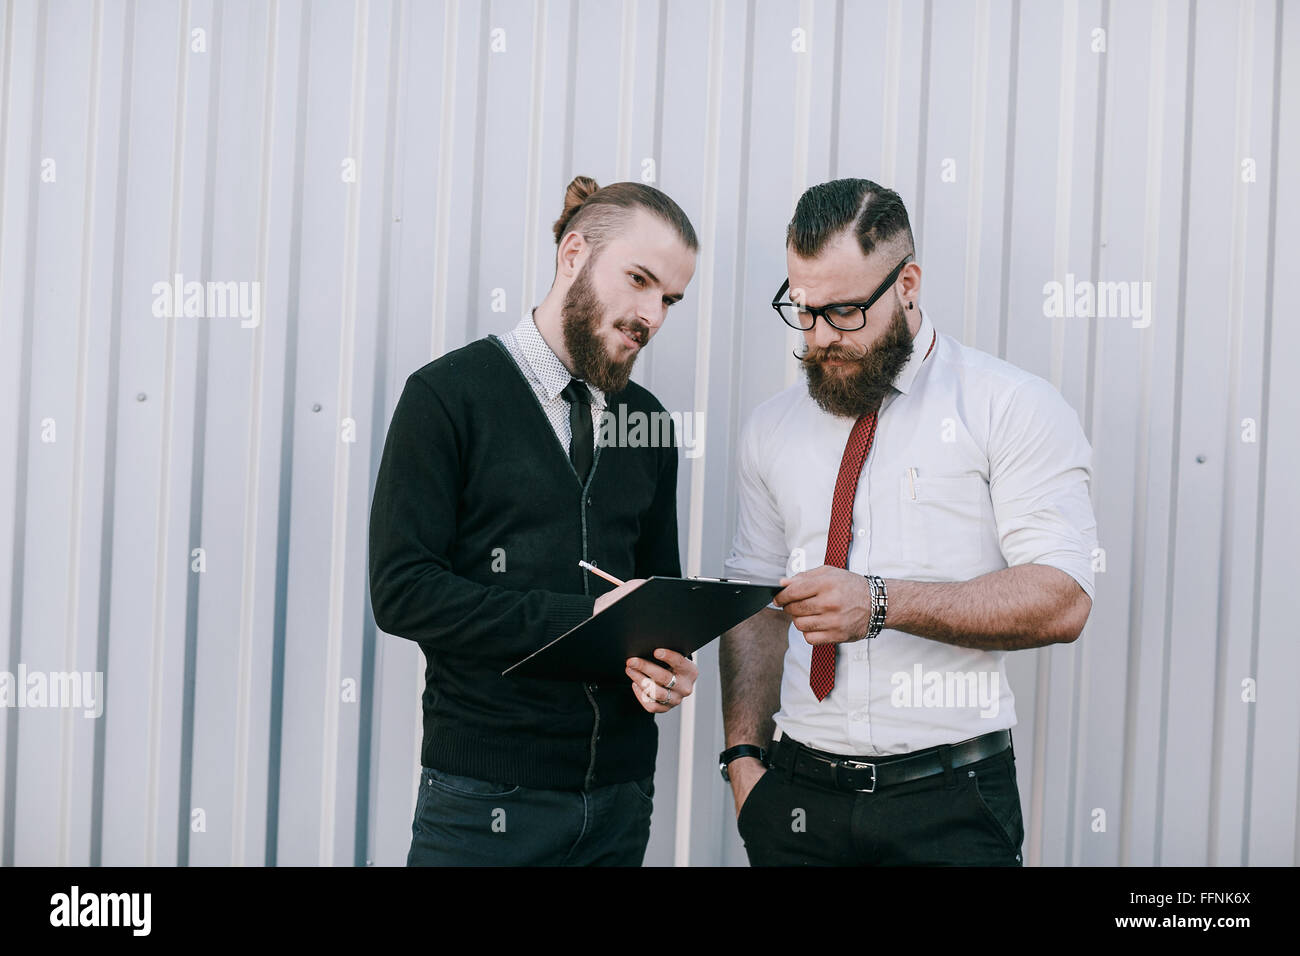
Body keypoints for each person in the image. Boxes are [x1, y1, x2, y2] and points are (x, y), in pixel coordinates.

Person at [719, 178, 1098, 866]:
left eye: (844, 311)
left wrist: (880, 602)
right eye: (802, 310)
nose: (819, 337)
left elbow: (1064, 597)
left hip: (949, 804)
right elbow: (755, 603)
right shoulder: (770, 428)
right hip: (797, 801)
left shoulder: (1009, 407)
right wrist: (744, 760)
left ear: (908, 284)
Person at [369, 176, 699, 866]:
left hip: (619, 802)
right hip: (481, 802)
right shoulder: (446, 396)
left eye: (669, 298)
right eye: (638, 280)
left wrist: (667, 666)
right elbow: (402, 592)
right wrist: (584, 622)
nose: (654, 315)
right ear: (573, 253)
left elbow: (656, 600)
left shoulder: (650, 423)